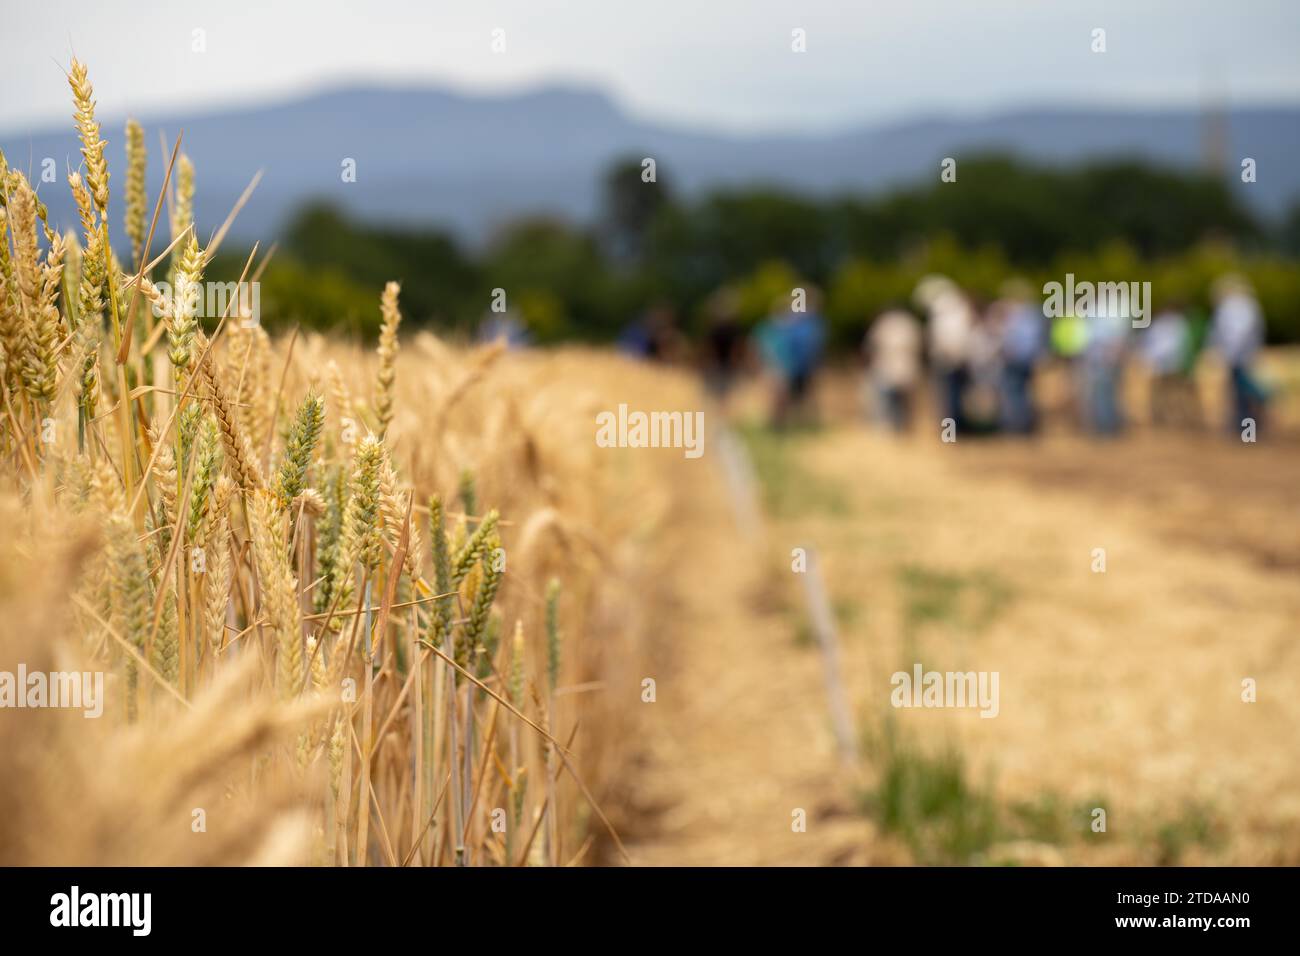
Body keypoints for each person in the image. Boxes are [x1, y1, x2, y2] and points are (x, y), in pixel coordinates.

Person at [754, 291, 826, 428]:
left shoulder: (794, 327)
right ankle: (779, 423)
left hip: (792, 368)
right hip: (778, 367)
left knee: (793, 398)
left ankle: (791, 423)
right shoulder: (771, 328)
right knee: (781, 397)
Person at [1209, 274, 1268, 435]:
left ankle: (1245, 426)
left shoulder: (1236, 306)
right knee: (1240, 391)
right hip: (1242, 354)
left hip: (1239, 355)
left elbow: (1236, 333)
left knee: (1242, 391)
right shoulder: (1244, 304)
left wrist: (1230, 353)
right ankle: (1244, 426)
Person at [915, 275, 975, 433]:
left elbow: (945, 339)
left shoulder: (944, 315)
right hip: (957, 360)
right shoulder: (959, 311)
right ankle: (956, 429)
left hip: (947, 361)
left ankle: (952, 431)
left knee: (948, 398)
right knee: (955, 397)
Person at [995, 280, 1046, 434]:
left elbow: (1013, 338)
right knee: (1023, 393)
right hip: (1027, 359)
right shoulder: (1033, 314)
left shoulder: (1017, 315)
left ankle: (1018, 426)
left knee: (1014, 393)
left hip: (1017, 359)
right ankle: (1022, 425)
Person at [864, 307, 922, 432]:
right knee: (899, 400)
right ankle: (899, 426)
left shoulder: (883, 323)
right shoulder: (909, 324)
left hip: (892, 366)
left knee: (891, 400)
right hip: (899, 366)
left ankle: (893, 426)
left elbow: (871, 345)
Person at [1141, 303, 1199, 427]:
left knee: (1169, 391)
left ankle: (1173, 415)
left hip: (1167, 364)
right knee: (1170, 391)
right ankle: (1176, 416)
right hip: (1172, 363)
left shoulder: (1166, 324)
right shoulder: (1179, 323)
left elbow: (1151, 344)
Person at [1083, 296, 1129, 436]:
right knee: (1104, 393)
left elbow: (1114, 337)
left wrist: (1111, 354)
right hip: (1100, 358)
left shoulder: (1106, 313)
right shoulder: (1109, 312)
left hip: (1105, 358)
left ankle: (1106, 428)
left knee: (1104, 393)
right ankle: (1106, 426)